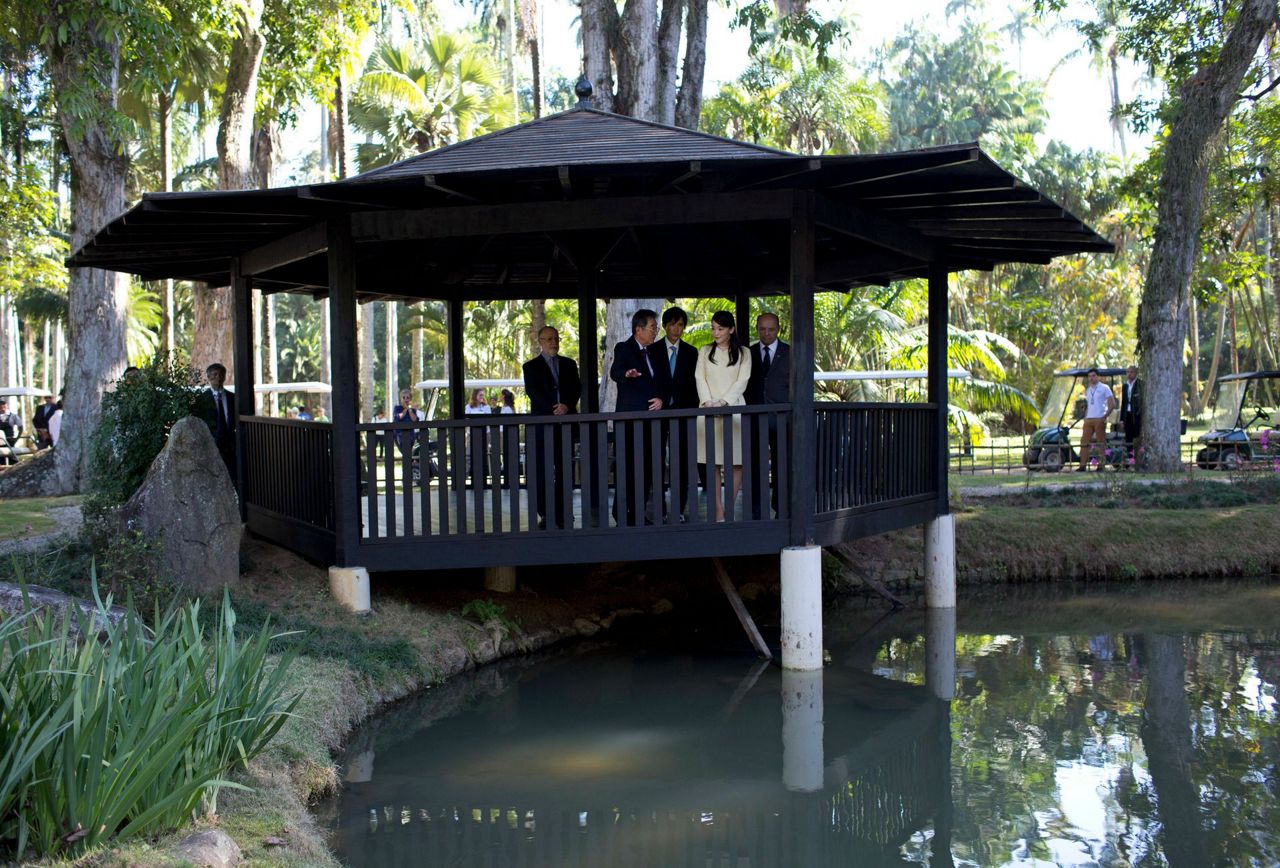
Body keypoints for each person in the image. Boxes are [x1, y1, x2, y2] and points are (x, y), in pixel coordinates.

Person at [609, 308, 671, 525]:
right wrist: (627, 374)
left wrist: (661, 398)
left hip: (653, 421)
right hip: (630, 420)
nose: (655, 331)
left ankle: (638, 513)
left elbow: (664, 381)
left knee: (647, 468)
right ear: (639, 329)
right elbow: (615, 372)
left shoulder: (656, 351)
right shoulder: (624, 348)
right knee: (626, 467)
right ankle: (620, 512)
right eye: (652, 327)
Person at [695, 311, 752, 521]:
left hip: (734, 409)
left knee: (737, 462)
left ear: (731, 329)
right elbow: (699, 377)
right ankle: (718, 510)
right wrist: (708, 402)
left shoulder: (744, 353)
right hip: (707, 408)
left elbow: (742, 381)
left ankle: (729, 506)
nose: (715, 332)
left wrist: (724, 402)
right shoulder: (704, 351)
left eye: (720, 328)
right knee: (712, 461)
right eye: (713, 328)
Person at [523, 326, 582, 528]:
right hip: (543, 427)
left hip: (565, 426)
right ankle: (546, 512)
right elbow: (534, 392)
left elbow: (576, 388)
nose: (553, 342)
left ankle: (564, 510)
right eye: (548, 339)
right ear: (540, 341)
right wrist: (553, 408)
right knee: (544, 472)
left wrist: (566, 405)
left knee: (566, 470)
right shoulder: (530, 367)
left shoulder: (569, 364)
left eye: (556, 338)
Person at [745, 312, 790, 518]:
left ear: (778, 329)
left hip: (782, 419)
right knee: (755, 465)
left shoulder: (790, 352)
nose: (767, 333)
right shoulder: (749, 353)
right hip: (755, 418)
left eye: (771, 329)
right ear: (757, 329)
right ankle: (757, 508)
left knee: (783, 465)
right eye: (762, 329)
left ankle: (781, 506)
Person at [661, 306, 701, 515]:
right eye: (672, 324)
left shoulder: (691, 352)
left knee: (683, 463)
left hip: (684, 414)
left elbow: (695, 385)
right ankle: (660, 508)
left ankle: (679, 509)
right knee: (656, 461)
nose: (676, 329)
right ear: (664, 326)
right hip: (657, 415)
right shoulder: (653, 350)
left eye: (680, 325)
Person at [1077, 367, 1115, 471]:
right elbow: (1087, 405)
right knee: (1084, 441)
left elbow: (1112, 404)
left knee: (1100, 442)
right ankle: (1082, 466)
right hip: (1088, 419)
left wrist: (1105, 416)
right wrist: (1085, 417)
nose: (1091, 378)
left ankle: (1101, 465)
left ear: (1098, 376)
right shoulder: (1088, 390)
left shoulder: (1104, 387)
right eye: (1089, 376)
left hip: (1100, 418)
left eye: (1093, 376)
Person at [203, 363, 237, 481]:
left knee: (232, 474)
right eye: (215, 375)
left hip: (231, 443)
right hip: (211, 443)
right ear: (208, 377)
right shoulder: (202, 399)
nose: (218, 378)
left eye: (221, 375)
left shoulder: (232, 398)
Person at [1121, 365, 1142, 460]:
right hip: (1127, 414)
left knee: (1137, 436)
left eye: (1131, 372)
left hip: (1136, 415)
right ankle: (1130, 459)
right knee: (1128, 437)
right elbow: (1123, 403)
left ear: (1136, 373)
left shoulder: (1140, 384)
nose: (1129, 374)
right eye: (1128, 372)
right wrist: (1122, 419)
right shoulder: (1125, 386)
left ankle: (1138, 458)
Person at [0, 398, 23, 465]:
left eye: (4, 406)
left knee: (12, 458)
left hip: (10, 440)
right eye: (0, 406)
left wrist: (16, 438)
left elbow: (20, 428)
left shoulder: (13, 416)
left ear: (7, 406)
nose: (2, 408)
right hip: (0, 441)